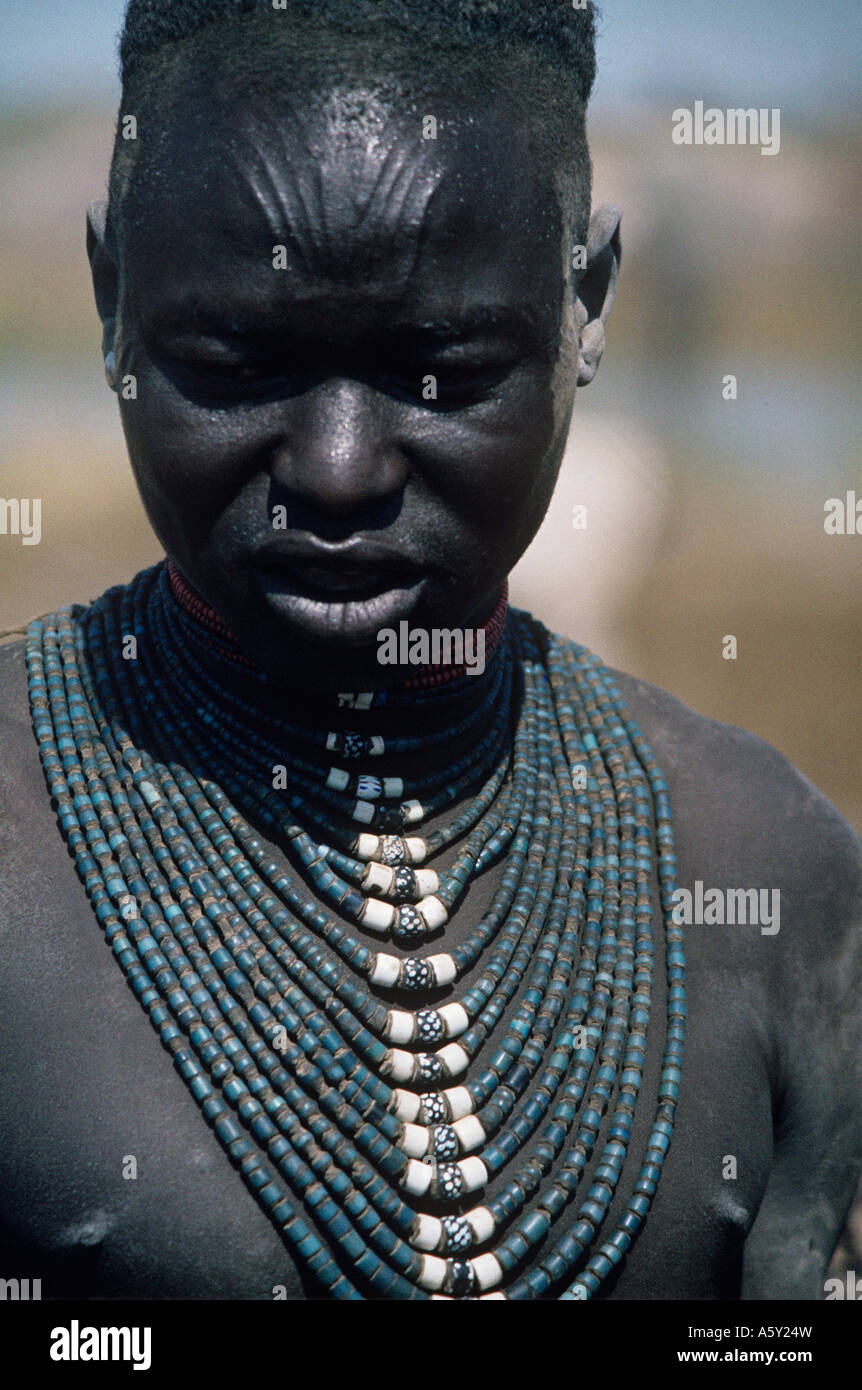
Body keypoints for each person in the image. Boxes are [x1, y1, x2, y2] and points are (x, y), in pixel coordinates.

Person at [1, 0, 860, 1302]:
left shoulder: (773, 868)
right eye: (232, 364)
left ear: (586, 305)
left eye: (446, 372)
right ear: (113, 297)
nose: (336, 471)